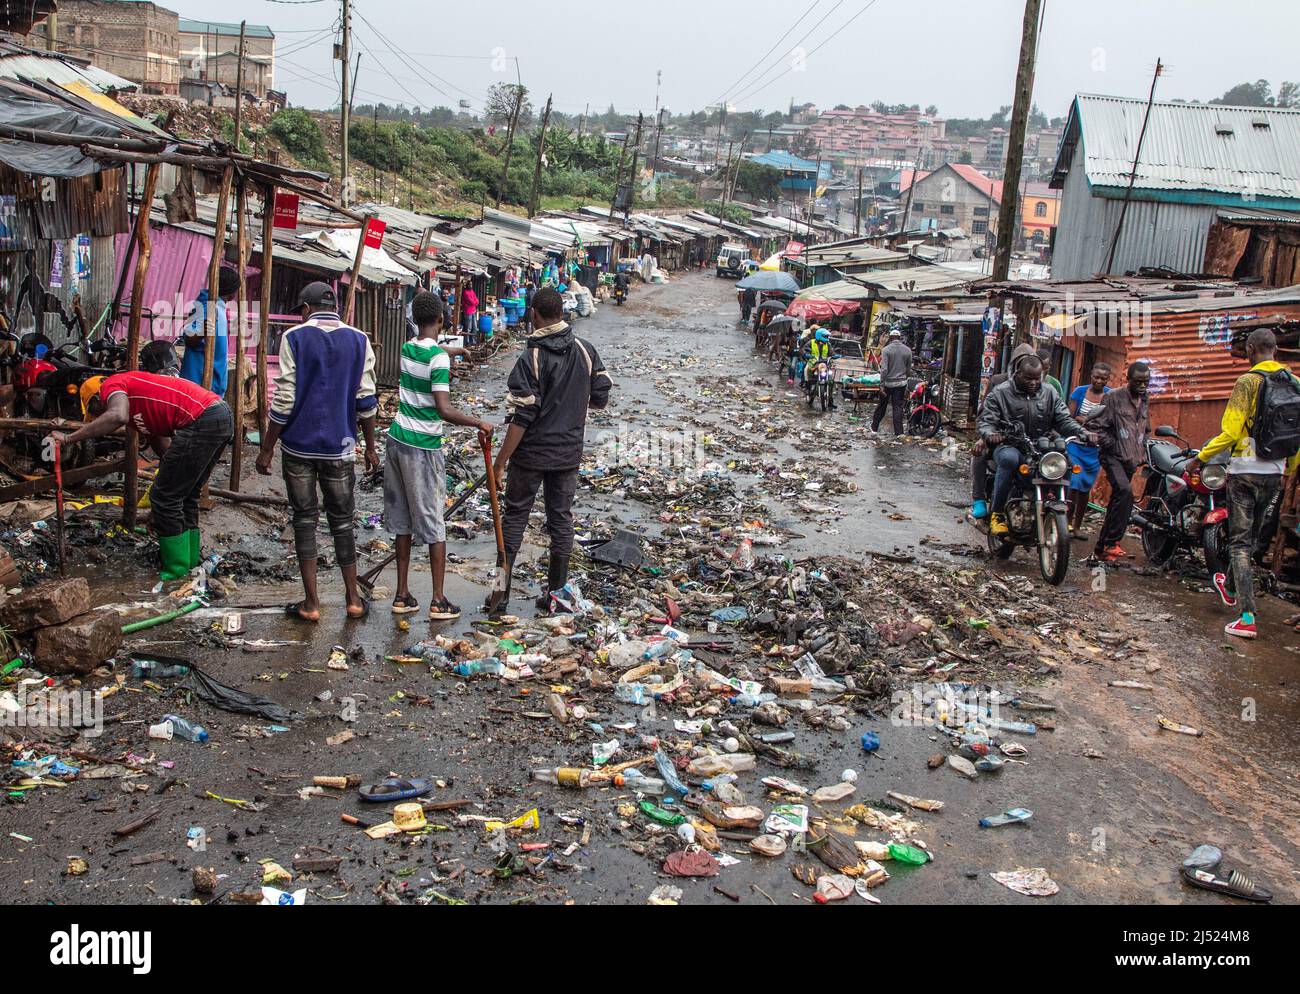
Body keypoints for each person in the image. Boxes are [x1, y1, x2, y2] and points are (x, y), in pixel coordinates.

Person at [256, 282, 379, 623]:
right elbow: (366, 402)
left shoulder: (294, 338)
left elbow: (284, 401)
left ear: (306, 309)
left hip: (298, 446)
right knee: (343, 522)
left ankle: (311, 604)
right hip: (340, 447)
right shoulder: (359, 340)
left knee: (305, 521)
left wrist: (267, 449)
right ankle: (353, 600)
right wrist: (369, 448)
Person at [488, 288, 612, 616]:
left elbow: (521, 417)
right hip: (567, 456)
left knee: (513, 519)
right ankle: (556, 596)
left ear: (535, 315)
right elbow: (601, 394)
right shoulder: (586, 351)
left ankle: (499, 597)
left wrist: (500, 463)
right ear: (561, 313)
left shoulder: (531, 358)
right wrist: (573, 404)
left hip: (529, 456)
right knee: (561, 521)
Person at [55, 371, 232, 581]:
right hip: (217, 416)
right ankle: (189, 561)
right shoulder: (137, 414)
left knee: (166, 498)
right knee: (185, 494)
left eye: (95, 410)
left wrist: (68, 438)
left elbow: (117, 416)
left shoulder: (111, 385)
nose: (98, 416)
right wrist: (166, 486)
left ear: (97, 398)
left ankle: (176, 571)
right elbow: (164, 450)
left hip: (204, 417)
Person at [385, 293, 494, 621]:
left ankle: (402, 595)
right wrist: (479, 421)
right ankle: (438, 600)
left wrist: (455, 350)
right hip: (423, 446)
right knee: (434, 521)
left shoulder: (408, 348)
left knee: (402, 521)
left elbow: (430, 350)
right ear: (443, 320)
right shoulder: (438, 360)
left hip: (395, 440)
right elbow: (444, 410)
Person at [1191, 328, 1300, 639]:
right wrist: (1289, 467)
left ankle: (1247, 617)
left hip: (1244, 470)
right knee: (1251, 539)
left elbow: (1229, 433)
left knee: (1239, 543)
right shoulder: (1295, 383)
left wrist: (1200, 458)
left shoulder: (1247, 383)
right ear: (1276, 350)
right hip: (1275, 472)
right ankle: (1232, 587)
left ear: (1251, 349)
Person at [978, 353, 1095, 537]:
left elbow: (1063, 419)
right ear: (1017, 374)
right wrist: (990, 434)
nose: (1033, 382)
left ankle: (1059, 506)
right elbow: (986, 420)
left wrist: (1082, 432)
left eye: (1037, 378)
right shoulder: (1001, 392)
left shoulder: (1050, 392)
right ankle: (997, 513)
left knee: (1067, 463)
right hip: (1011, 443)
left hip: (1042, 445)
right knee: (1009, 460)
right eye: (1028, 378)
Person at [1083, 362, 1150, 563]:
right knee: (1125, 492)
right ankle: (1112, 543)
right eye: (1138, 382)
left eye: (1146, 382)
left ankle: (1101, 548)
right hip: (1112, 455)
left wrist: (1142, 449)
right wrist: (1114, 444)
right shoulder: (1113, 397)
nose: (1142, 386)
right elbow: (1096, 426)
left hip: (1131, 458)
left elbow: (1145, 427)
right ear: (1128, 380)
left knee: (1117, 502)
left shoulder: (1145, 399)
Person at [970, 344, 1036, 519]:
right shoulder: (999, 382)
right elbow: (985, 412)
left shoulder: (1046, 387)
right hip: (1002, 436)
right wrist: (986, 436)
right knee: (980, 452)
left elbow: (1057, 416)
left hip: (1032, 440)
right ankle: (978, 499)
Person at [1065, 363, 1112, 538]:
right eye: (1096, 377)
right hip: (1076, 445)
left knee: (1085, 489)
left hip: (1095, 450)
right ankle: (1066, 524)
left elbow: (1110, 420)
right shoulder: (1079, 392)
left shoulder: (1110, 395)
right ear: (1091, 375)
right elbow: (1070, 416)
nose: (1099, 381)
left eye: (1103, 378)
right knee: (1074, 484)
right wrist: (1084, 422)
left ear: (1108, 379)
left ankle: (1077, 526)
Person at [180, 267, 239, 398]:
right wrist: (201, 332)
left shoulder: (216, 307)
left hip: (207, 386)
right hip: (199, 388)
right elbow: (189, 338)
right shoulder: (209, 307)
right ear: (232, 293)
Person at [873, 328, 912, 435]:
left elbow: (884, 369)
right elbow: (909, 369)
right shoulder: (908, 350)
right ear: (900, 338)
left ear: (890, 338)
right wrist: (905, 377)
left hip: (887, 384)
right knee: (898, 408)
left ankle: (874, 429)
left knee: (882, 406)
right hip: (901, 384)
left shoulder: (886, 350)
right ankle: (899, 433)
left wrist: (881, 384)